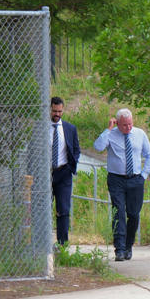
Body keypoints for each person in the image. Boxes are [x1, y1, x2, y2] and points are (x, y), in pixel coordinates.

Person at [93, 108, 150, 262]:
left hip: (135, 179)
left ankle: (128, 246)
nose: (128, 127)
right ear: (117, 123)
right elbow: (98, 147)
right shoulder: (111, 134)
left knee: (133, 214)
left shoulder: (139, 134)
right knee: (118, 212)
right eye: (124, 125)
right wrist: (108, 129)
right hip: (116, 180)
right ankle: (119, 249)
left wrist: (143, 175)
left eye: (130, 124)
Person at [50, 96, 80, 246]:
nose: (57, 114)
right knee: (43, 207)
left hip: (63, 173)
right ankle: (42, 242)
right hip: (46, 174)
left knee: (63, 209)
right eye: (54, 111)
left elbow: (76, 149)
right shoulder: (41, 127)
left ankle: (62, 244)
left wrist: (70, 167)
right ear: (50, 109)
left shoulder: (70, 128)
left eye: (60, 111)